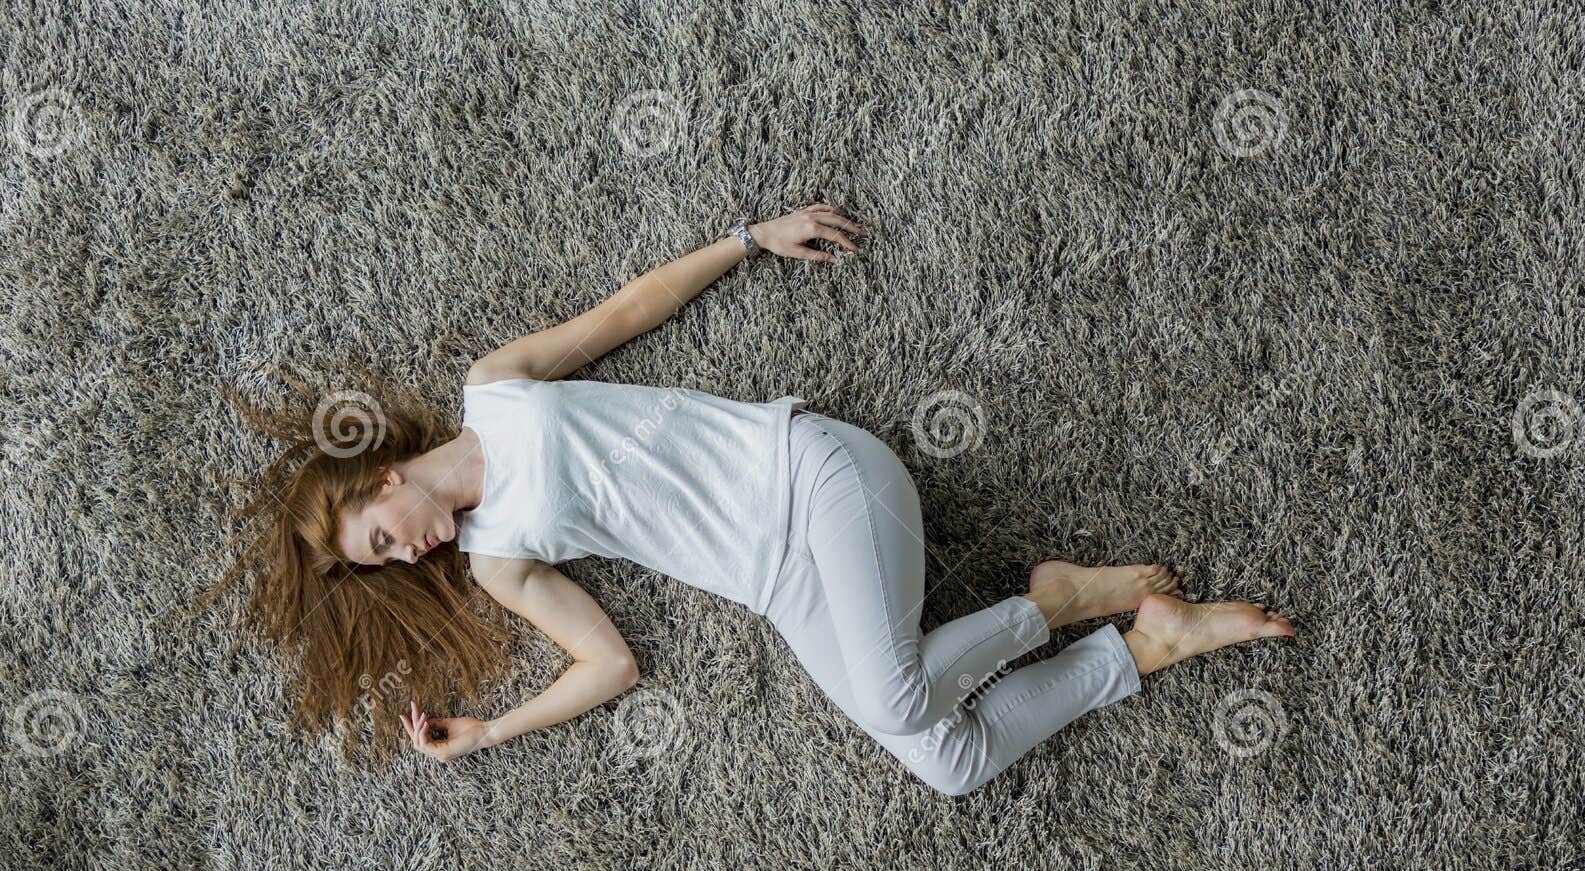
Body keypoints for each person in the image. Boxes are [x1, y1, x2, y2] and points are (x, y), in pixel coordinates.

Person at [208, 203, 1294, 796]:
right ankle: (1143, 647)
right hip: (780, 582)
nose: (407, 554)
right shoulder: (497, 562)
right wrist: (494, 731)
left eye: (383, 535)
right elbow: (610, 665)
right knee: (945, 762)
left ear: (383, 477)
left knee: (900, 703)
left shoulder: (495, 390)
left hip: (815, 475)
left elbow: (620, 316)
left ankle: (1052, 605)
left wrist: (746, 239)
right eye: (387, 562)